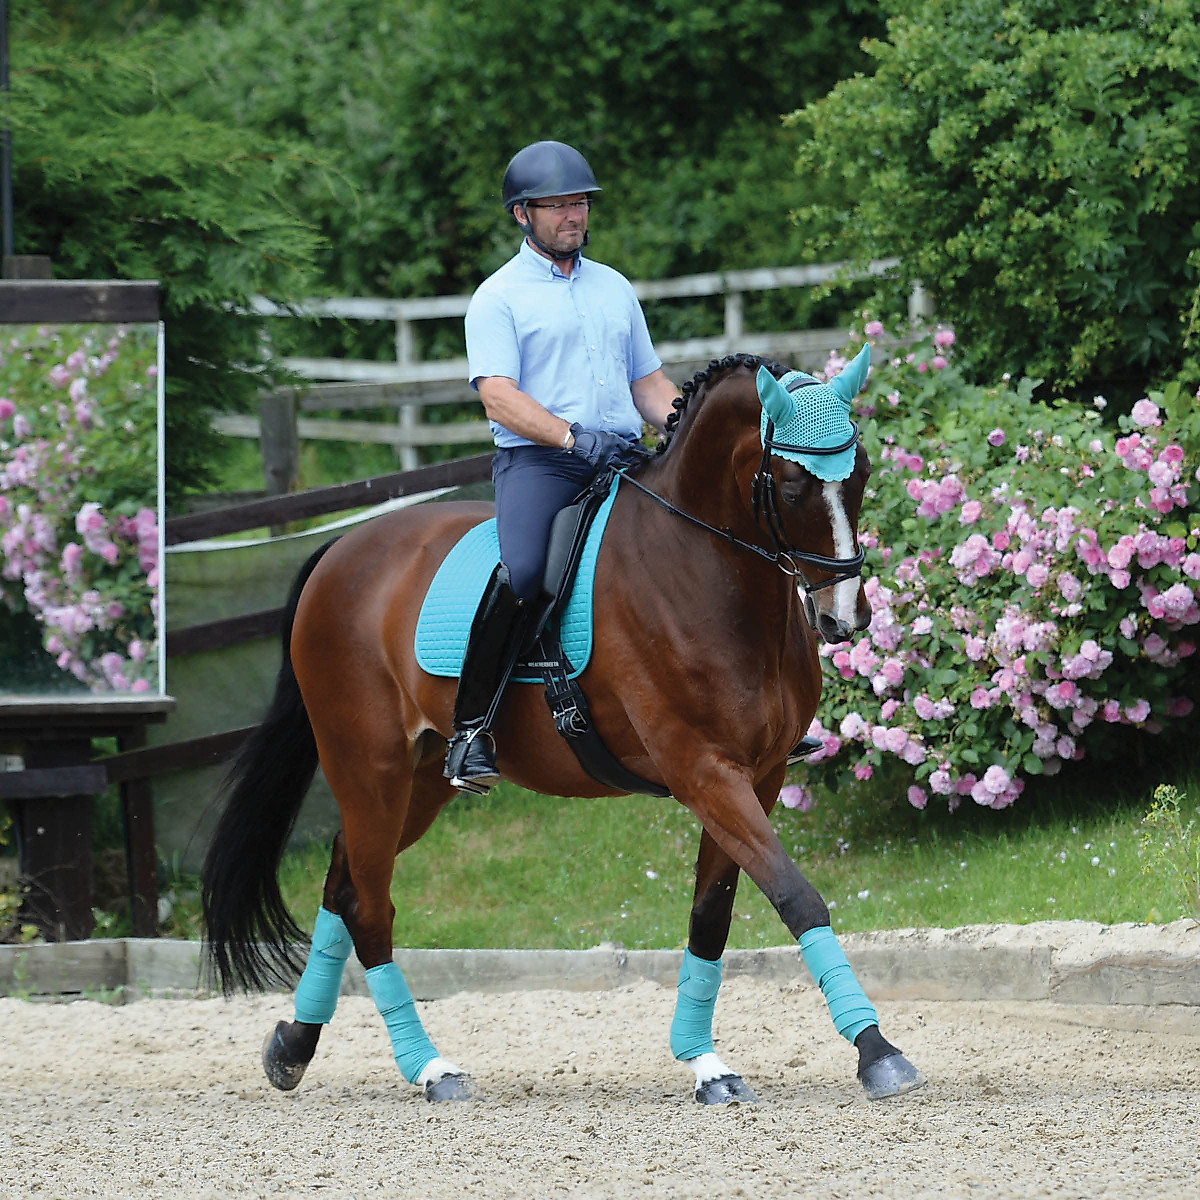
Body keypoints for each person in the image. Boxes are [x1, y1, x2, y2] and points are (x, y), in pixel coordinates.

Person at [444, 139, 680, 794]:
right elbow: (499, 396)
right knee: (524, 574)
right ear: (522, 214)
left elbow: (648, 385)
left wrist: (684, 426)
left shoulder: (614, 287)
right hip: (543, 463)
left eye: (580, 203)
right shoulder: (497, 298)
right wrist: (573, 438)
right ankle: (470, 730)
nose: (573, 215)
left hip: (622, 454)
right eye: (557, 206)